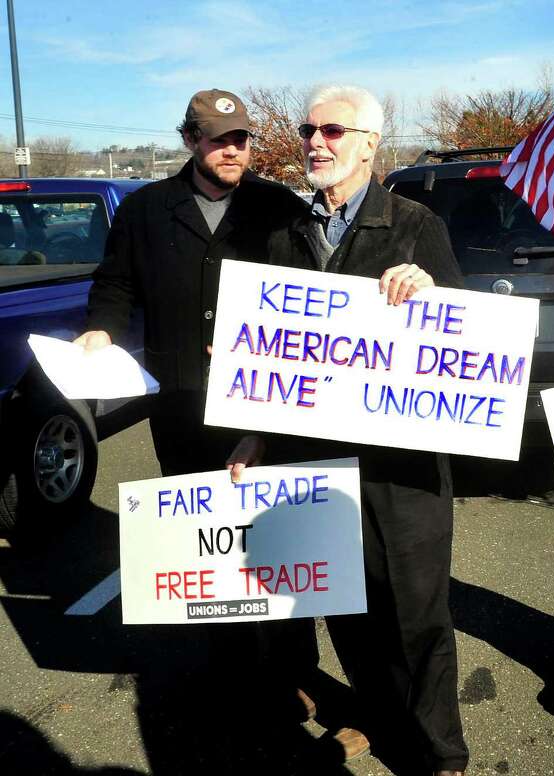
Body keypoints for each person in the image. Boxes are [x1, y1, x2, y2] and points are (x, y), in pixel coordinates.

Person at [230, 84, 468, 775]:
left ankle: (441, 751)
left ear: (369, 145)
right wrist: (255, 434)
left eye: (333, 131)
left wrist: (430, 292)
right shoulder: (286, 234)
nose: (316, 142)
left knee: (416, 615)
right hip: (316, 460)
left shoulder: (415, 224)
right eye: (309, 129)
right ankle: (377, 716)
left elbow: (468, 333)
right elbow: (275, 353)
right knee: (347, 605)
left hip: (402, 470)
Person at [75, 88, 317, 718]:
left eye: (241, 139)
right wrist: (101, 328)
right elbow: (115, 283)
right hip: (181, 403)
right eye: (217, 139)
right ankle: (229, 666)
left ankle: (294, 669)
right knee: (207, 542)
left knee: (278, 540)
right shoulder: (145, 209)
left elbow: (320, 289)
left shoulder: (279, 208)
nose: (232, 150)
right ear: (189, 140)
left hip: (265, 402)